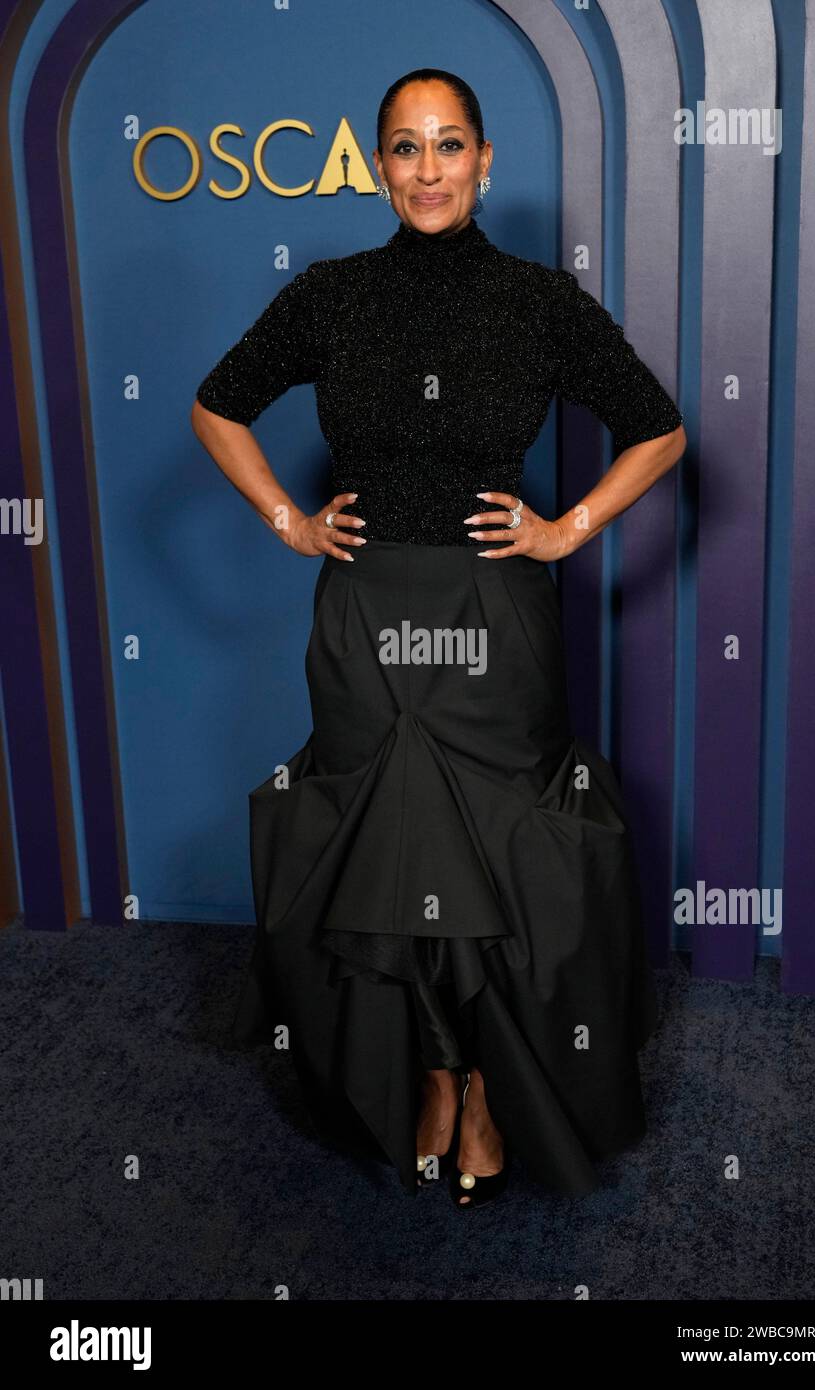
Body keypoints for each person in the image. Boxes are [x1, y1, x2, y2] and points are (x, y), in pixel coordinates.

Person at [191, 67, 686, 1210]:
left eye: (448, 145)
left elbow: (654, 429)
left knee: (491, 858)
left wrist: (566, 529)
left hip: (492, 625)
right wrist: (289, 519)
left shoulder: (536, 302)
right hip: (363, 623)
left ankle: (479, 1087)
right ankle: (428, 1074)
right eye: (404, 149)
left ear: (484, 161)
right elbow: (217, 405)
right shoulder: (328, 295)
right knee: (387, 856)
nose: (427, 171)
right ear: (378, 166)